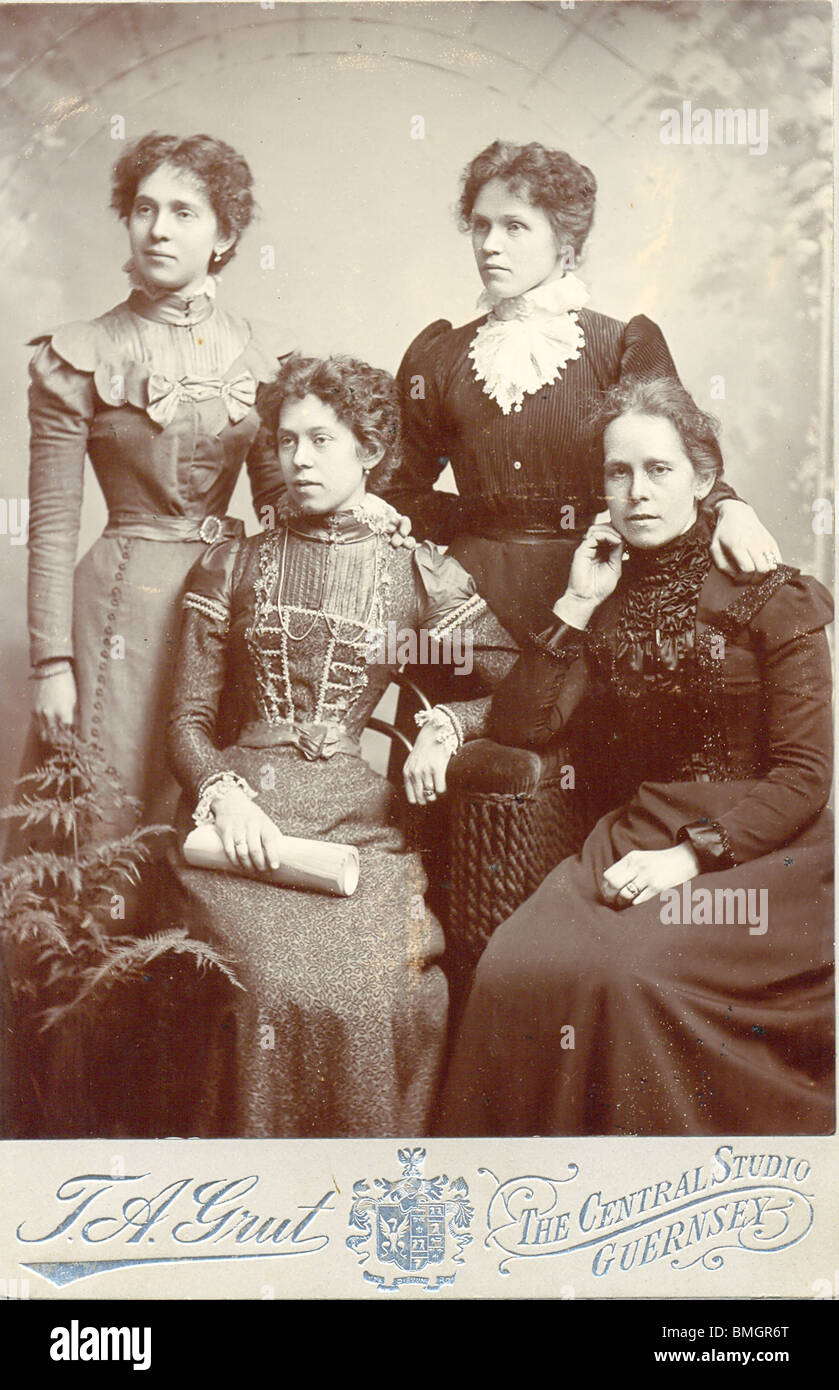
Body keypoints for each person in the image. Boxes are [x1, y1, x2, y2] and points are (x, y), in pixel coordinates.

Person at [437, 377, 833, 1137]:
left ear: (704, 481)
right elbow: (520, 728)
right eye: (617, 473)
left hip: (762, 857)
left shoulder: (774, 596)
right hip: (632, 836)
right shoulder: (605, 592)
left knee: (626, 976)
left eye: (658, 470)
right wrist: (578, 601)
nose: (636, 492)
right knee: (513, 969)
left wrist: (687, 860)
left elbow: (805, 777)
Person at [164, 354, 515, 1137]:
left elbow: (516, 683)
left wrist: (445, 725)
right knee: (266, 983)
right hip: (243, 821)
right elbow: (186, 720)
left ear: (370, 448)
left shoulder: (413, 571)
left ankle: (364, 1200)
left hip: (358, 821)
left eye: (322, 441)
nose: (300, 460)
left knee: (379, 989)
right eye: (288, 443)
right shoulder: (234, 559)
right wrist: (223, 795)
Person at [388, 139, 781, 646]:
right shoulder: (438, 356)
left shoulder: (622, 345)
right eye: (480, 225)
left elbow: (677, 461)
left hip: (598, 585)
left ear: (564, 241)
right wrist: (480, 521)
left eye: (514, 226)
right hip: (468, 599)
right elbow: (396, 490)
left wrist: (732, 509)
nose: (489, 244)